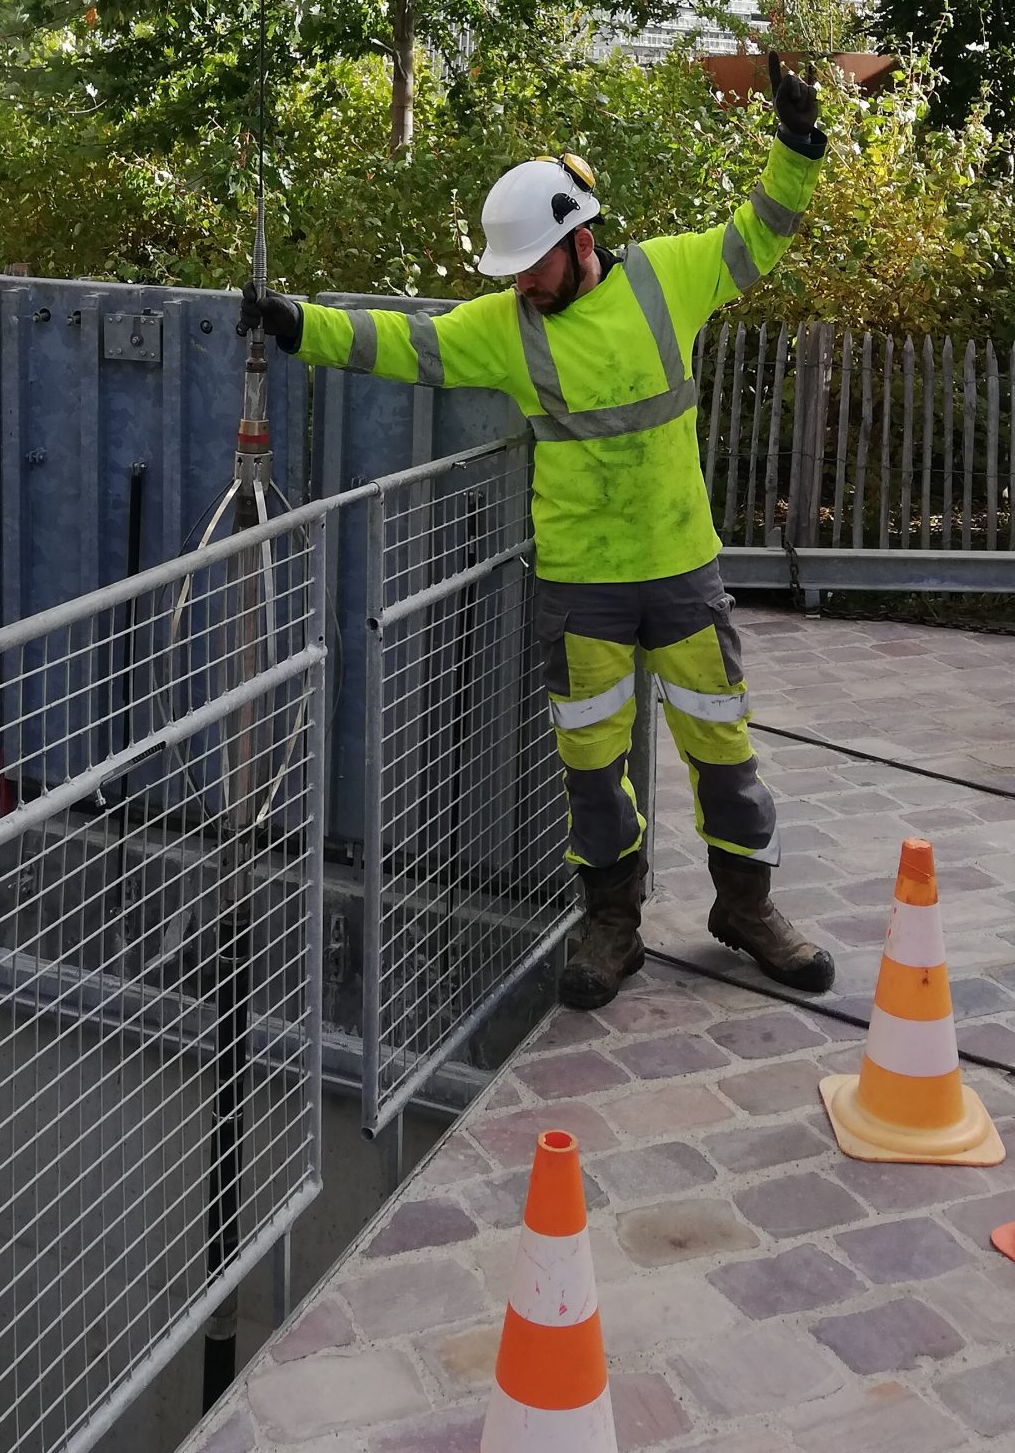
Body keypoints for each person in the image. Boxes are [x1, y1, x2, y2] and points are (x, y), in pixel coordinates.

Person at [241, 64, 835, 1011]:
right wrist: (296, 325)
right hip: (581, 590)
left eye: (531, 264)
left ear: (579, 239)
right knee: (594, 772)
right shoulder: (504, 327)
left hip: (682, 572)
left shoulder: (668, 279)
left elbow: (759, 233)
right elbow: (402, 346)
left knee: (725, 756)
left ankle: (747, 911)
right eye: (510, 271)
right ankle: (612, 925)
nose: (519, 282)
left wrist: (798, 146)